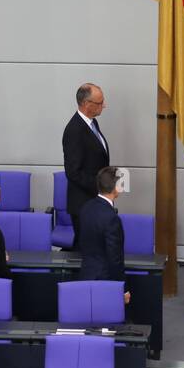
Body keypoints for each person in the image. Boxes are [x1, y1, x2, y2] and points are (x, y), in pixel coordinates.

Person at [62, 83, 111, 247]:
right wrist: (102, 187)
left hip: (94, 201)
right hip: (83, 204)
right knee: (85, 251)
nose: (104, 105)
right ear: (86, 104)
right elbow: (73, 172)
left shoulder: (92, 123)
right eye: (100, 102)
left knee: (92, 248)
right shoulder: (74, 130)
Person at [76, 166, 131, 305]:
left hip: (85, 275)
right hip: (105, 282)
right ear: (116, 188)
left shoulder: (86, 208)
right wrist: (123, 289)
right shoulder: (112, 218)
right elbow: (115, 259)